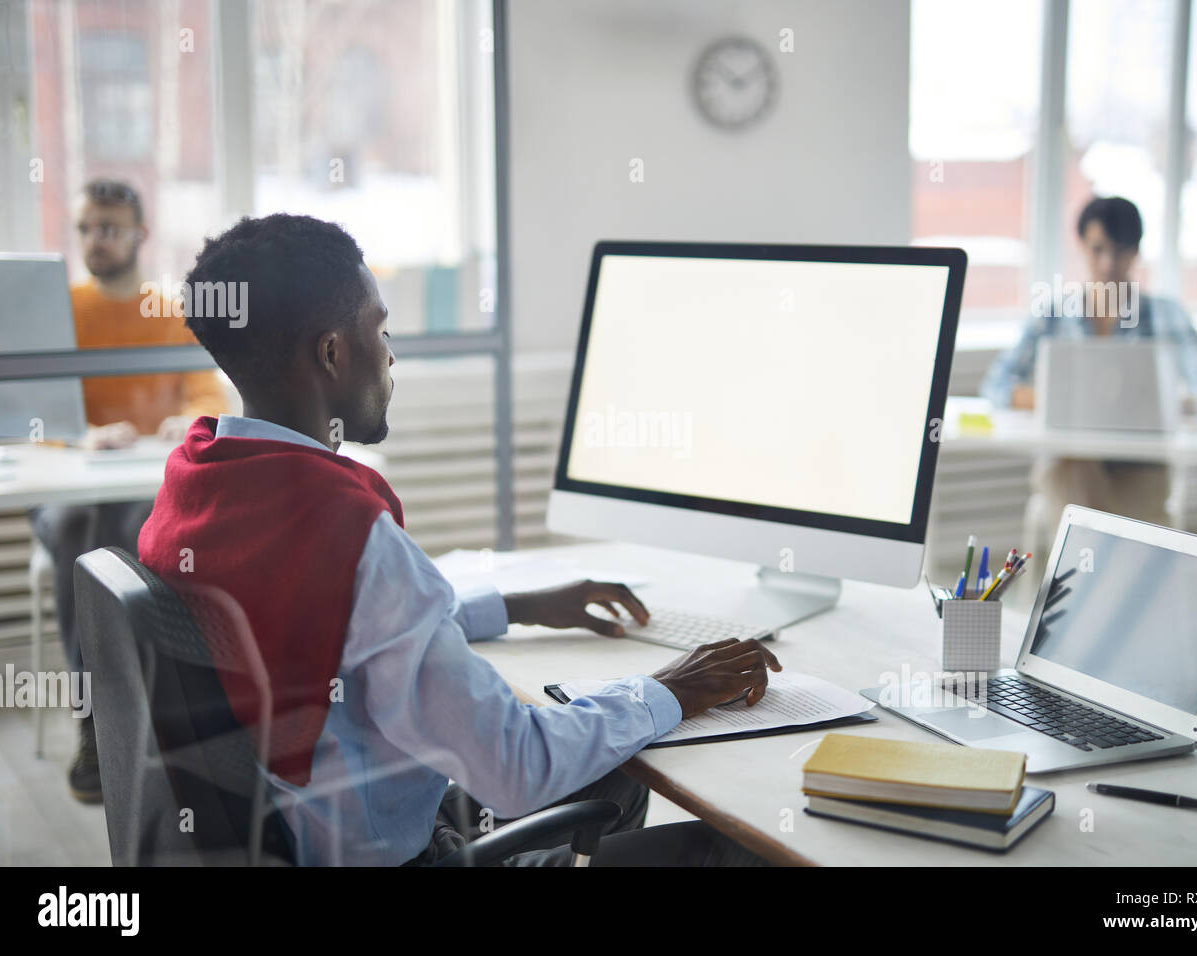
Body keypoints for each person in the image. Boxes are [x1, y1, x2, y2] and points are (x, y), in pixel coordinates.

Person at [137, 213, 775, 866]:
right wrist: (672, 688)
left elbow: (347, 634)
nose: (390, 355)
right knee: (733, 851)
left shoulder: (201, 483)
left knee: (613, 771)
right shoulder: (347, 534)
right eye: (380, 330)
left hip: (309, 829)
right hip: (393, 853)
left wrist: (518, 606)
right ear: (332, 353)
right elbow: (517, 766)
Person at [30, 178, 230, 804]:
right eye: (86, 227)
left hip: (138, 489)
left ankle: (158, 711)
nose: (96, 239)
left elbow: (206, 393)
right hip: (67, 487)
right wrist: (78, 436)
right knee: (78, 528)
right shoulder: (59, 313)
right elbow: (31, 407)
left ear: (140, 235)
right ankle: (95, 717)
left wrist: (185, 419)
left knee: (144, 525)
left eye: (110, 228)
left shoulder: (166, 314)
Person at [979, 196, 1197, 551]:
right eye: (1098, 249)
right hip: (1071, 464)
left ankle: (1086, 572)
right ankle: (1107, 569)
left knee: (1095, 525)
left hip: (1140, 468)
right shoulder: (1052, 314)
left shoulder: (1165, 315)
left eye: (1121, 251)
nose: (1108, 263)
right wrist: (1049, 398)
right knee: (1072, 474)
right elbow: (996, 384)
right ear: (1081, 246)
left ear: (1136, 252)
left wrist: (1176, 404)